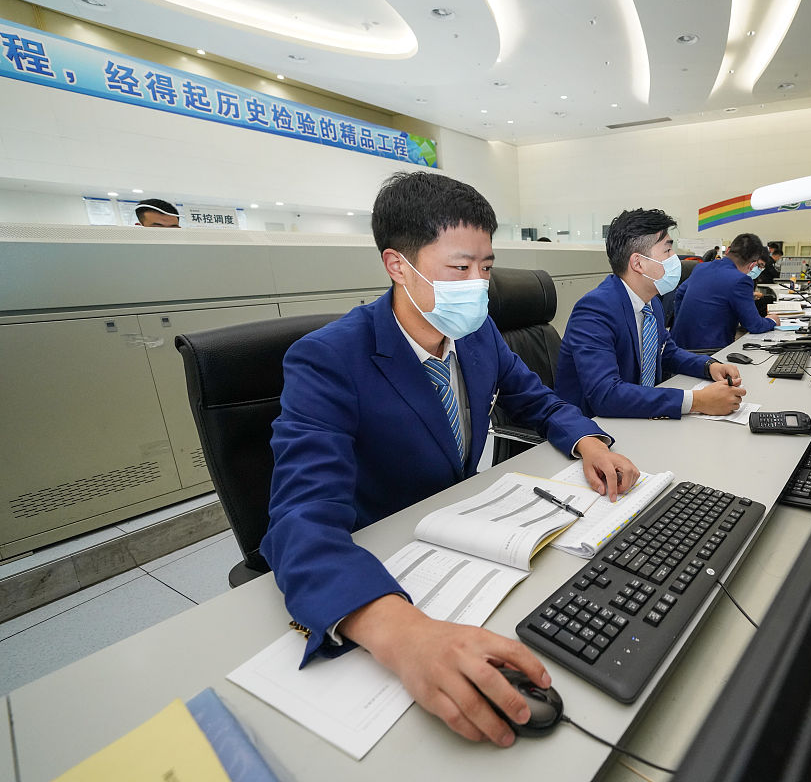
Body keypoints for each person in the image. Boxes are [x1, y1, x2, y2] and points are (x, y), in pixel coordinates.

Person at [263, 171, 638, 748]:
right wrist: (403, 634)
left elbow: (535, 400)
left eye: (486, 268)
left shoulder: (477, 333)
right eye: (459, 268)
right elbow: (300, 518)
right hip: (386, 558)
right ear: (397, 265)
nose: (479, 286)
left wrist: (587, 439)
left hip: (470, 539)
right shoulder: (328, 359)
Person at [555, 208, 745, 419]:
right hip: (593, 430)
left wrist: (709, 366)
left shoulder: (651, 303)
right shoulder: (595, 310)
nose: (675, 258)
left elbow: (667, 352)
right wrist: (697, 400)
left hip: (638, 418)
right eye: (667, 251)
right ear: (638, 263)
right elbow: (606, 396)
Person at [671, 232, 780, 351]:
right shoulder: (741, 280)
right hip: (710, 351)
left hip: (678, 346)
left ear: (728, 250)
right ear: (752, 265)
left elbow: (680, 294)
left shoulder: (701, 267)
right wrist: (772, 320)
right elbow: (754, 325)